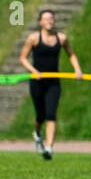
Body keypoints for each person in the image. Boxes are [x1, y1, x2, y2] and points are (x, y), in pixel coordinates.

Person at [19, 10, 84, 161]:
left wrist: (77, 70)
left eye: (51, 18)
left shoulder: (61, 38)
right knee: (40, 116)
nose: (49, 21)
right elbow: (23, 58)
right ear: (40, 22)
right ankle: (37, 133)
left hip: (54, 83)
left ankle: (49, 148)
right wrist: (34, 71)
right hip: (37, 82)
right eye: (46, 18)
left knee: (51, 114)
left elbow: (71, 54)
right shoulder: (33, 38)